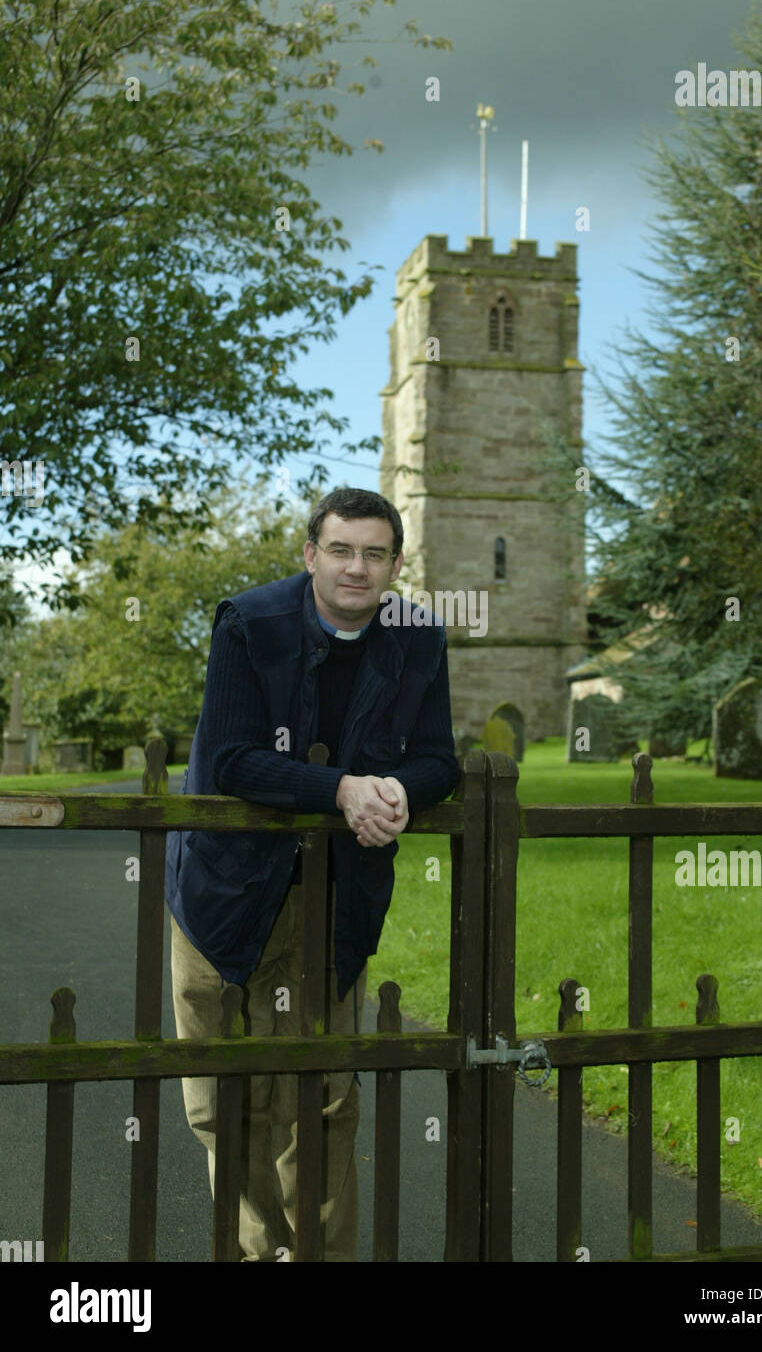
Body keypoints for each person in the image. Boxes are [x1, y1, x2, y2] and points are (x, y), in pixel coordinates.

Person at [163, 487, 459, 1261]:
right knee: (223, 1103)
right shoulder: (249, 624)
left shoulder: (418, 641)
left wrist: (400, 789)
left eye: (373, 553)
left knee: (321, 1101)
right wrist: (339, 789)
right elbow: (229, 758)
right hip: (222, 895)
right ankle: (259, 1253)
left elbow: (439, 759)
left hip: (334, 898)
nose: (355, 568)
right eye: (339, 549)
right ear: (309, 554)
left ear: (396, 564)